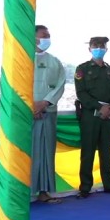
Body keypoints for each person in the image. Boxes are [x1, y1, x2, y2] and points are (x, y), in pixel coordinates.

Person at [74, 36, 110, 199]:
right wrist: (99, 107)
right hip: (90, 116)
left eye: (102, 46)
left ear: (106, 49)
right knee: (88, 152)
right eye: (95, 46)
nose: (99, 48)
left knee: (106, 151)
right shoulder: (82, 69)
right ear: (89, 48)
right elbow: (81, 93)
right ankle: (85, 188)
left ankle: (109, 184)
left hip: (108, 116)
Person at [32, 25, 65, 204]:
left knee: (46, 153)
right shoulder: (22, 59)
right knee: (25, 153)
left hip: (47, 113)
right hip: (26, 115)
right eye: (44, 35)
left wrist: (44, 103)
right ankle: (23, 193)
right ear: (34, 37)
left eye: (49, 36)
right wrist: (30, 107)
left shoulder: (55, 62)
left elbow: (60, 85)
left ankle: (44, 192)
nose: (47, 39)